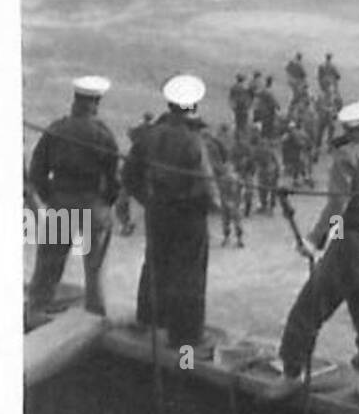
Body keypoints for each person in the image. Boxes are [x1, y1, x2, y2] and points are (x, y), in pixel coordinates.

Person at [275, 101, 359, 408]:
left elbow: (337, 206)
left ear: (348, 130)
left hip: (347, 243)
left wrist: (315, 240)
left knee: (308, 309)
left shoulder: (347, 158)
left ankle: (292, 374)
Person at [124, 75, 220, 350]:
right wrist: (214, 207)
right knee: (189, 273)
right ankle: (186, 337)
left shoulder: (149, 135)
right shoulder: (194, 141)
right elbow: (207, 186)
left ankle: (149, 320)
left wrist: (149, 201)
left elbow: (129, 175)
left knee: (155, 262)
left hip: (158, 210)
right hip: (188, 215)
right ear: (194, 106)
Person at [26, 76, 121, 322]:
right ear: (96, 103)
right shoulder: (103, 134)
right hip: (93, 205)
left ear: (75, 101)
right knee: (95, 268)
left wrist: (51, 197)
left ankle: (36, 310)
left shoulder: (56, 129)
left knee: (48, 264)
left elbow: (36, 170)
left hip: (61, 202)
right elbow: (114, 178)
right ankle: (95, 315)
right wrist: (105, 203)